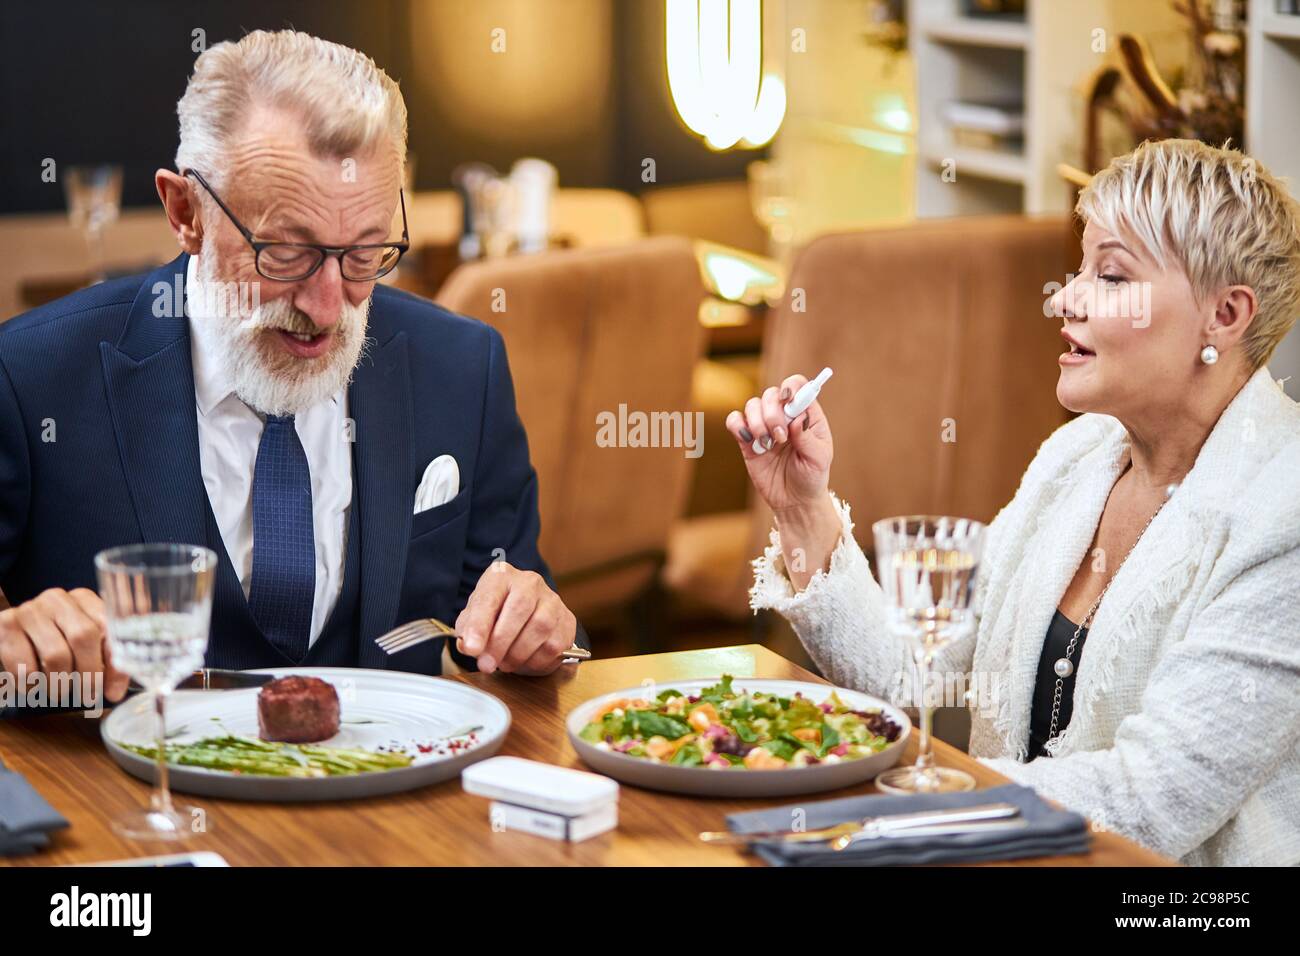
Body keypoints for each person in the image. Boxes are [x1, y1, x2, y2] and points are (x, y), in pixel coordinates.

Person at [729, 139, 1300, 865]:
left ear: (1224, 315)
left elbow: (1152, 800)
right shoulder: (1076, 457)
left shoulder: (1285, 511)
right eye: (1081, 269)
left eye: (1113, 275)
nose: (1065, 299)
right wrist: (803, 508)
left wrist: (921, 802)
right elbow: (913, 678)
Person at [0, 30, 584, 709]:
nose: (328, 306)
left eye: (367, 254)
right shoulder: (29, 378)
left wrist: (546, 635)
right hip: (136, 804)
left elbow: (529, 637)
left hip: (391, 807)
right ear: (184, 212)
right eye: (283, 254)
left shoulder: (462, 368)